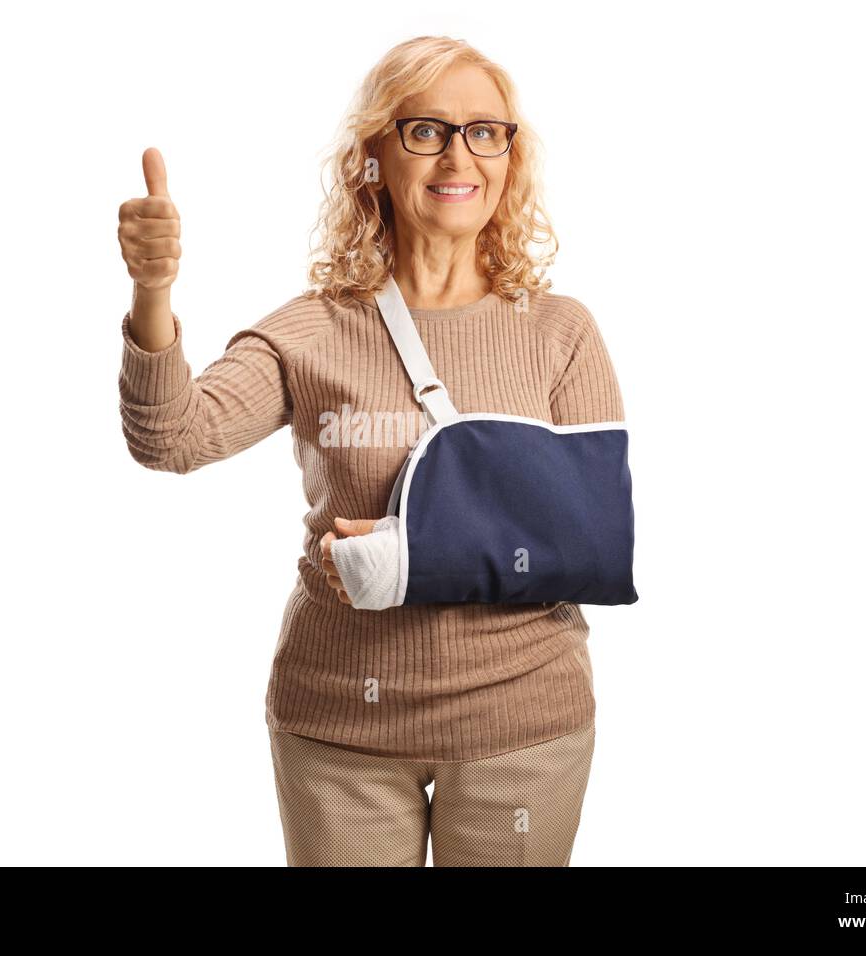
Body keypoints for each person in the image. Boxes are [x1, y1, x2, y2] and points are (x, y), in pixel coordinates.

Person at [116, 35, 627, 866]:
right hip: (340, 728)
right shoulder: (311, 329)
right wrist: (153, 294)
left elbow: (591, 544)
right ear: (372, 158)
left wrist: (406, 558)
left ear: (509, 155)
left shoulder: (559, 332)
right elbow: (170, 438)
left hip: (522, 727)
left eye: (485, 131)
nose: (459, 154)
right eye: (425, 129)